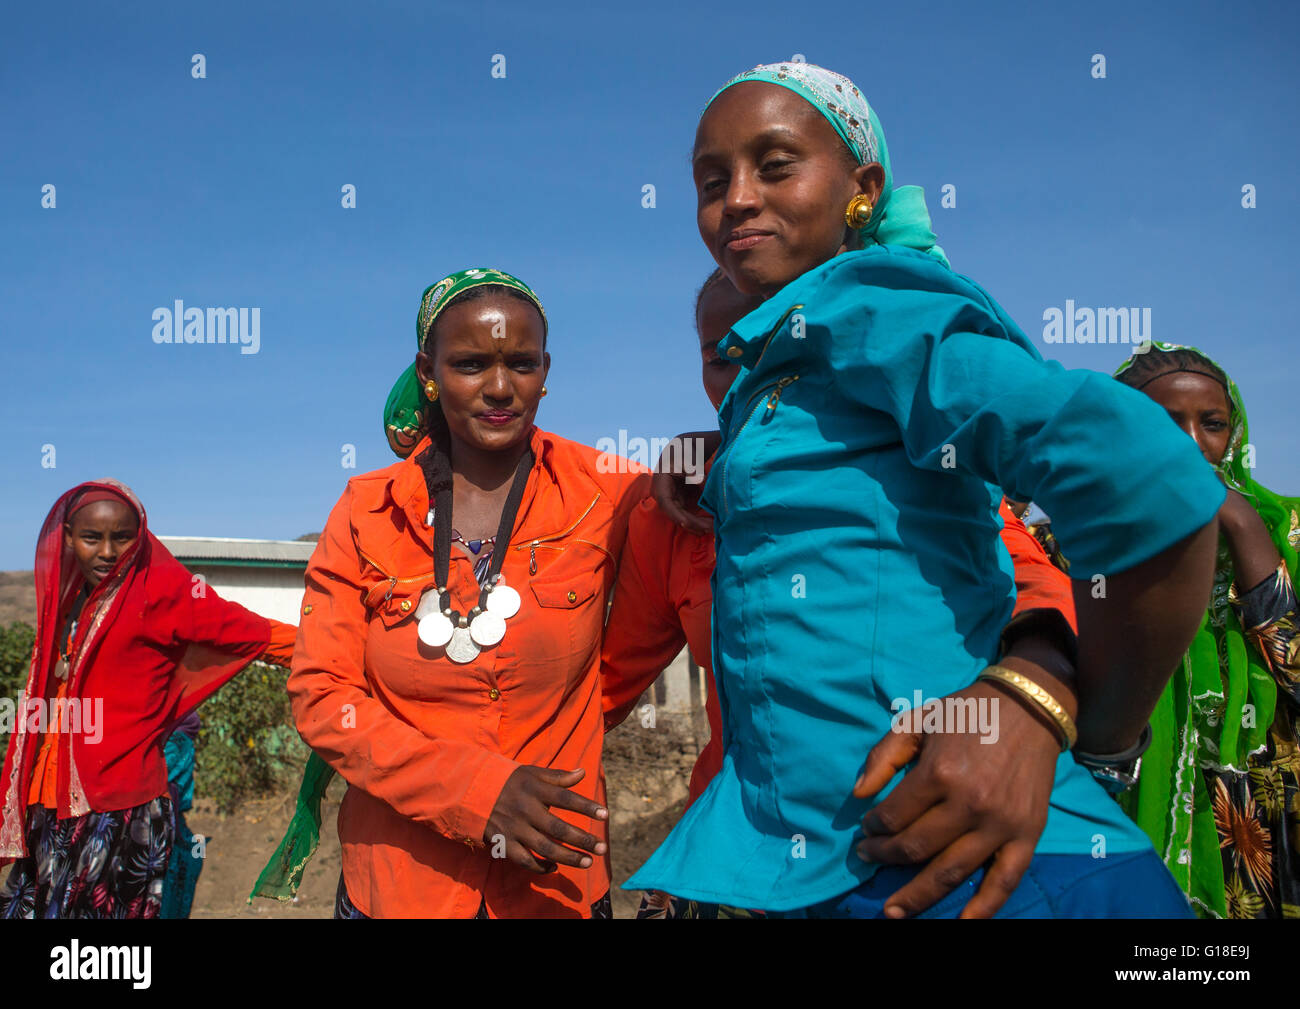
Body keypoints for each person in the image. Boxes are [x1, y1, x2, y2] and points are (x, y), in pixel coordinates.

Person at [631, 62, 1225, 918]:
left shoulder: (872, 311)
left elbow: (1143, 474)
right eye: (712, 179)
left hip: (972, 861)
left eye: (776, 164)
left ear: (862, 189)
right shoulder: (793, 356)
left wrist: (1072, 724)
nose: (738, 198)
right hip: (866, 859)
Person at [603, 270, 1084, 918]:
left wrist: (1023, 696)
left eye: (780, 349)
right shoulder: (678, 513)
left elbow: (1043, 592)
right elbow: (604, 683)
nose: (748, 375)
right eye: (723, 356)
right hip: (742, 868)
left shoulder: (913, 465)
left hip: (922, 837)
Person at [285, 268, 650, 918]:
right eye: (471, 363)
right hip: (400, 886)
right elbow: (322, 694)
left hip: (555, 888)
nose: (501, 387)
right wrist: (476, 790)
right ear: (428, 371)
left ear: (547, 368)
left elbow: (686, 584)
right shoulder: (367, 512)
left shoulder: (610, 491)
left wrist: (705, 460)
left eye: (522, 363)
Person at [0, 480, 296, 918]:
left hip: (116, 808)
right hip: (48, 801)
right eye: (90, 537)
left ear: (139, 538)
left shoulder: (161, 593)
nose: (106, 551)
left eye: (122, 537)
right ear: (66, 538)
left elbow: (256, 633)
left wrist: (351, 655)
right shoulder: (67, 603)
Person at [1114, 342, 1300, 919]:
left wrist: (1242, 527)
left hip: (1266, 811)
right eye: (1163, 424)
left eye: (1211, 424)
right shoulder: (1076, 540)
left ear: (1233, 434)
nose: (1191, 445)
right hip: (1129, 800)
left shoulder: (1284, 530)